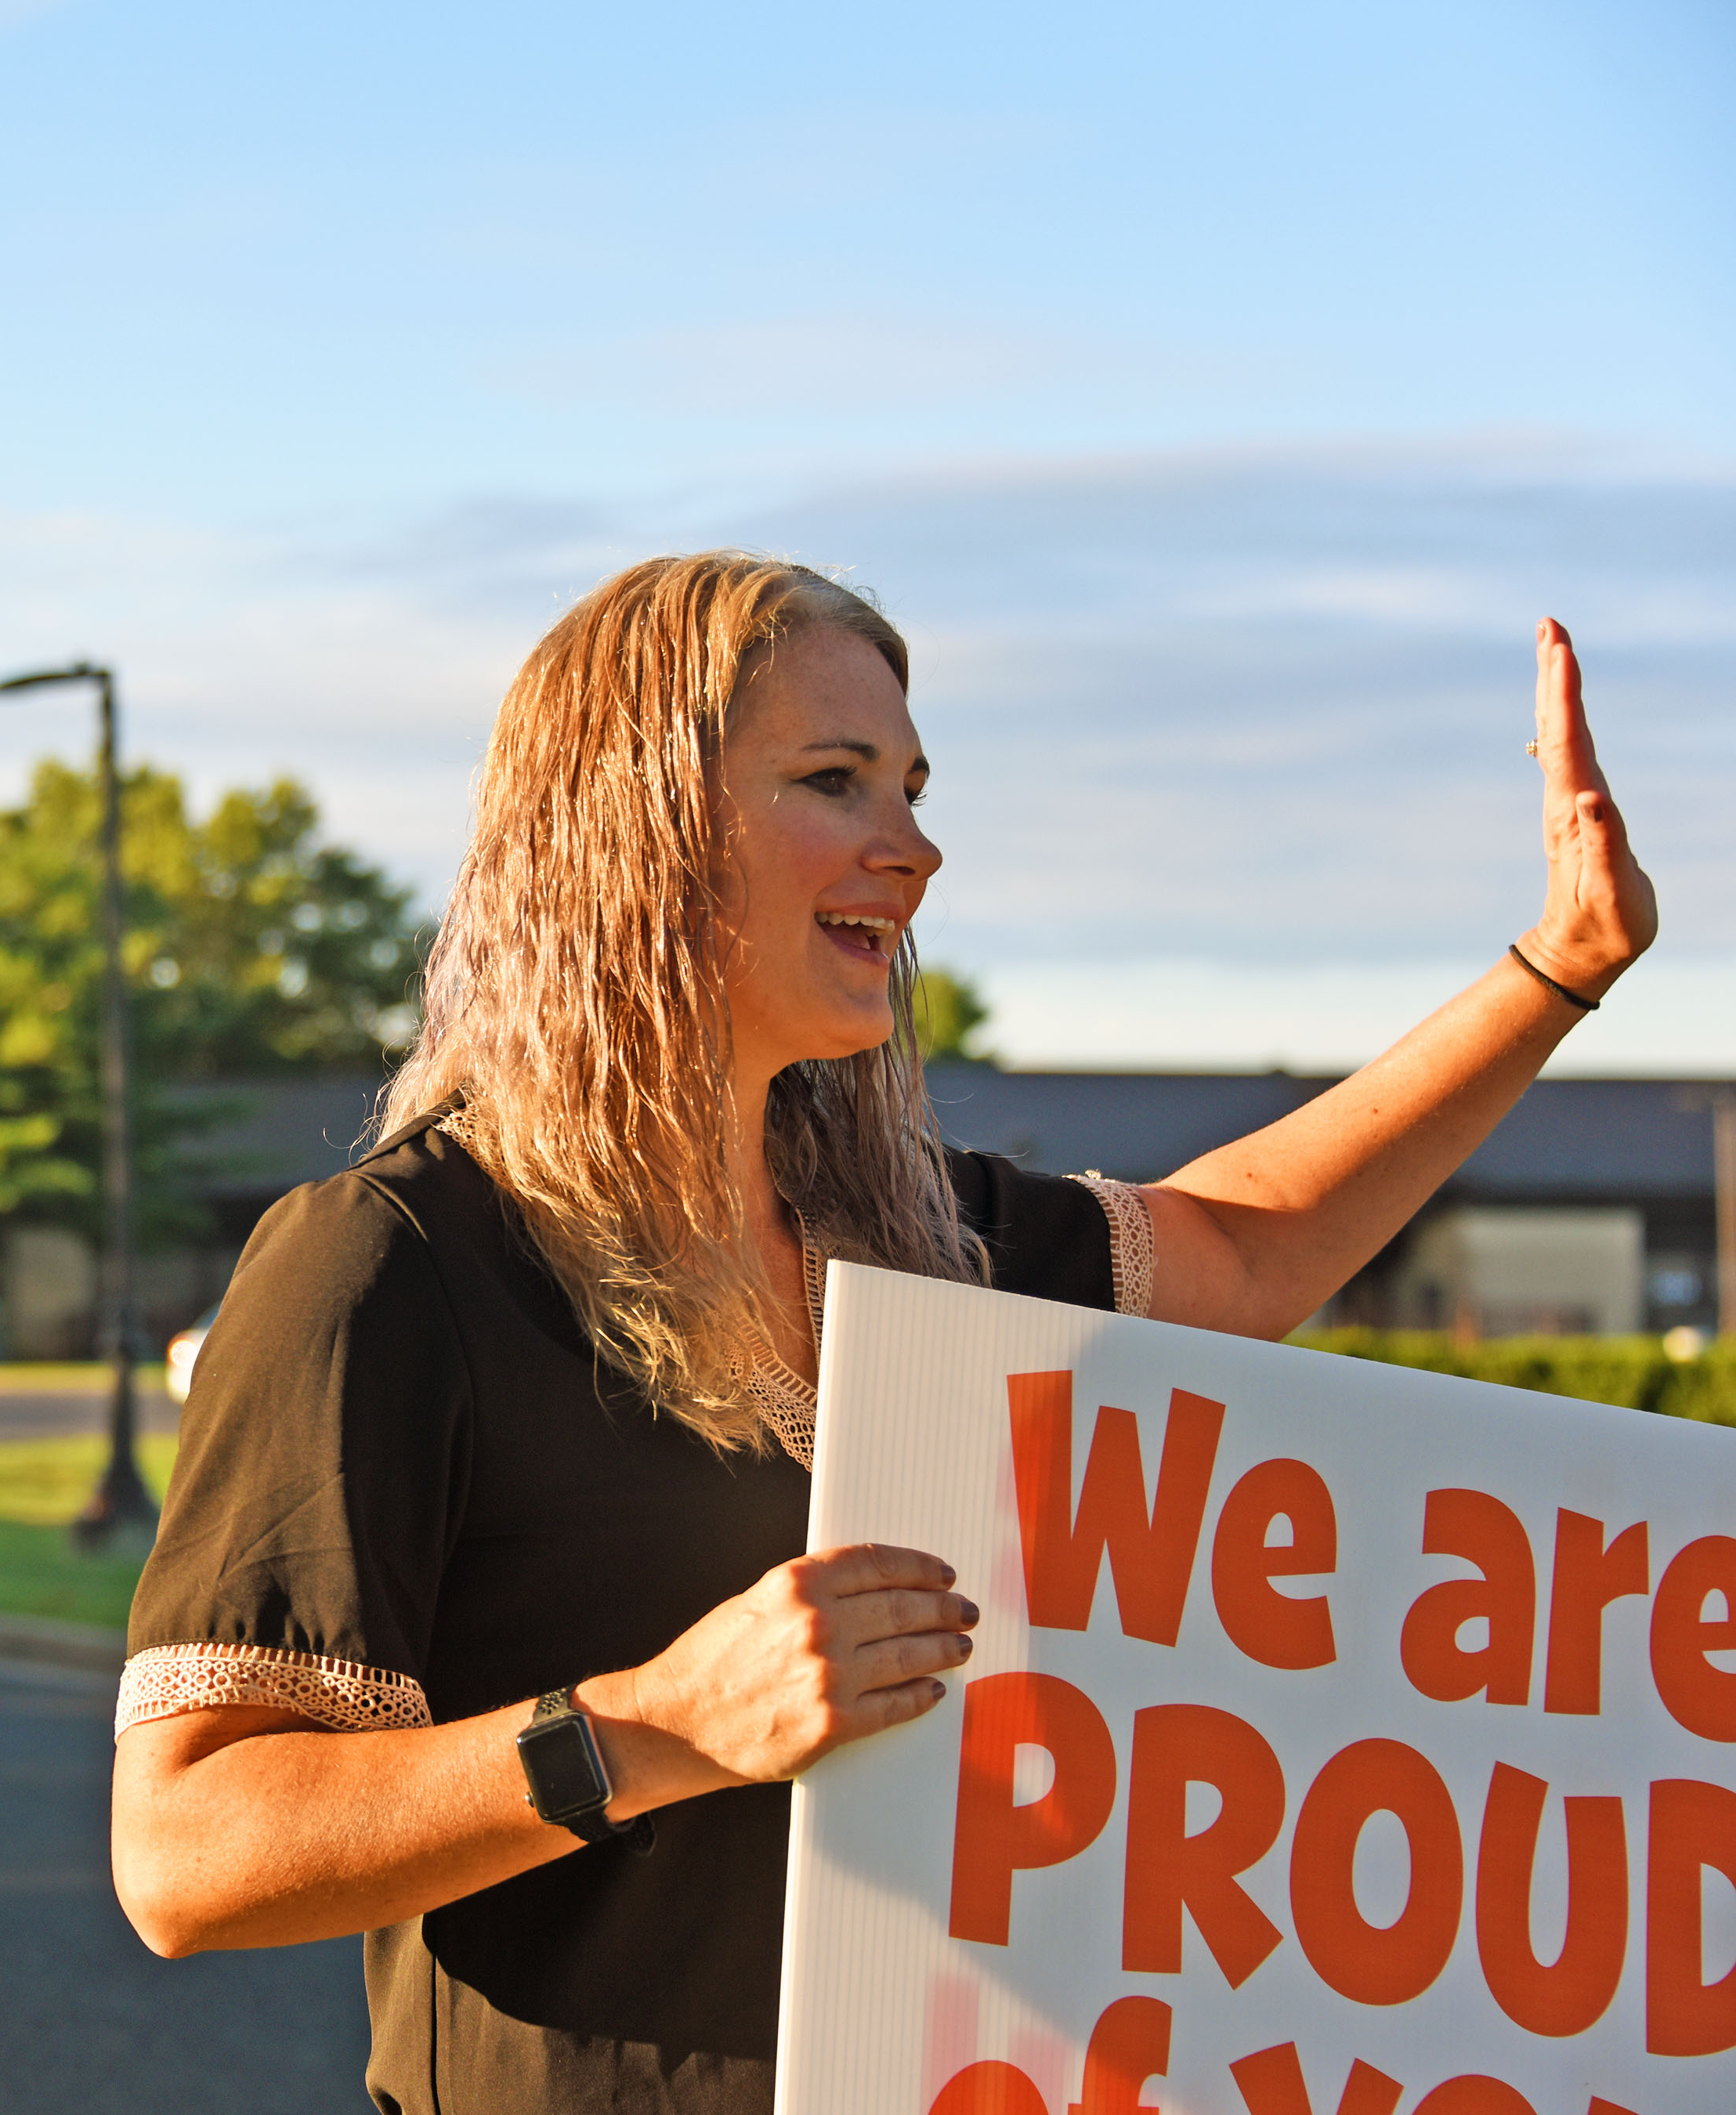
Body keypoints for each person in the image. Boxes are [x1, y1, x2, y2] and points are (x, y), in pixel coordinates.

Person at [106, 553, 1656, 2113]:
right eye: (834, 781)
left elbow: (1243, 1253)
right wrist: (655, 1724)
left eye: (909, 788)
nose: (911, 851)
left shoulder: (920, 1241)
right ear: (630, 823)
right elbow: (184, 1854)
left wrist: (1557, 969)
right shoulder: (390, 1261)